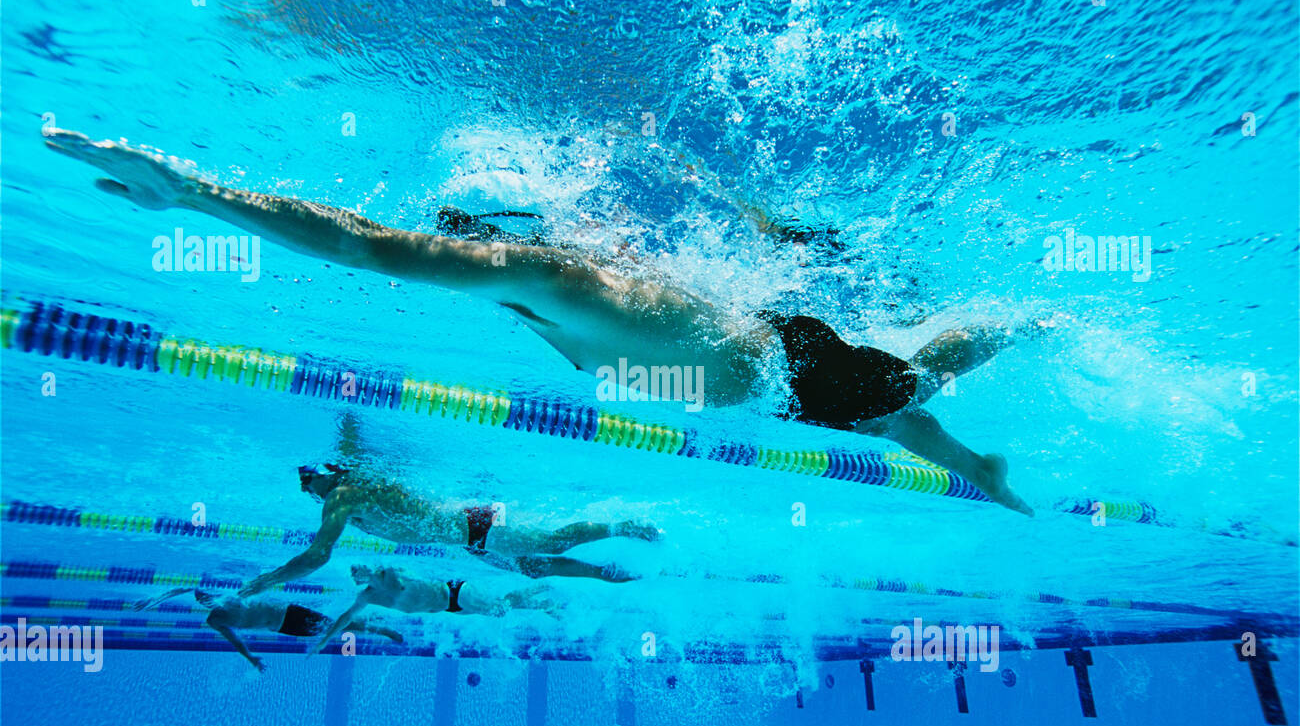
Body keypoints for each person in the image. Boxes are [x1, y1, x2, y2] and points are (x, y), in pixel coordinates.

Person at [45, 128, 1033, 514]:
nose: (598, 227)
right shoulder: (536, 277)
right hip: (749, 384)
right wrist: (188, 190)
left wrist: (190, 193)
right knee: (895, 417)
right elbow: (355, 242)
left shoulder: (551, 290)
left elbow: (357, 244)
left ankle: (1028, 322)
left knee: (927, 374)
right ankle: (983, 467)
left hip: (781, 371)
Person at [237, 461, 654, 598]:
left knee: (550, 542)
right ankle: (605, 572)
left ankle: (625, 524)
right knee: (532, 568)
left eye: (305, 483)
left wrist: (269, 579)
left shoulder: (340, 495)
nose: (307, 491)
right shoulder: (353, 483)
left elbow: (318, 554)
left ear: (319, 477)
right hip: (469, 535)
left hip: (472, 524)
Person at [306, 563, 560, 656]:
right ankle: (544, 604)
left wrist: (379, 573)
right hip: (450, 608)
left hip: (456, 592)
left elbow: (405, 581)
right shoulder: (367, 597)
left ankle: (542, 585)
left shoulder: (391, 574)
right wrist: (324, 641)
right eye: (356, 573)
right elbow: (345, 617)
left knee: (500, 609)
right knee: (499, 608)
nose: (357, 573)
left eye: (359, 569)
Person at [132, 586, 403, 672]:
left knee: (337, 626)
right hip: (282, 625)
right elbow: (234, 640)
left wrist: (153, 599)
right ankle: (379, 627)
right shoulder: (215, 620)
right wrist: (250, 658)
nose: (206, 600)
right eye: (203, 600)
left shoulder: (229, 597)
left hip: (288, 612)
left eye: (206, 596)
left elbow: (184, 588)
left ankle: (384, 630)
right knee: (331, 630)